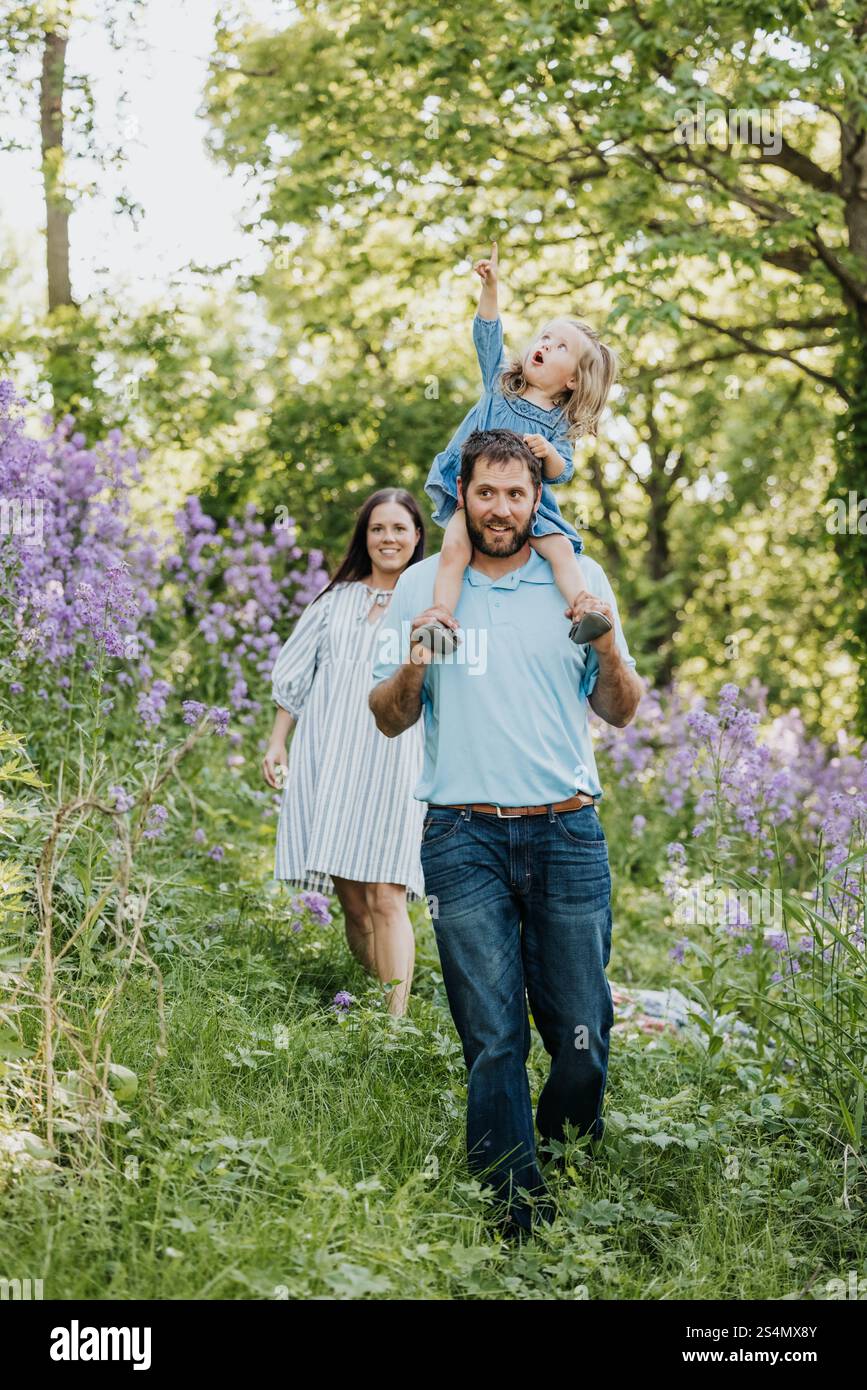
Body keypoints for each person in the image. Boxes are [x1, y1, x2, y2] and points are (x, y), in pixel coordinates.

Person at [368, 429, 643, 1240]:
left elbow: (621, 708)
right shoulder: (427, 584)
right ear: (462, 493)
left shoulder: (578, 578)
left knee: (582, 1032)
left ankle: (564, 1150)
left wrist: (609, 645)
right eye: (484, 493)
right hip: (463, 835)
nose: (499, 508)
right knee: (491, 1035)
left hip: (567, 830)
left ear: (535, 500)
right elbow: (387, 718)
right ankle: (513, 1209)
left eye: (514, 494)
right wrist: (417, 659)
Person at [263, 489, 427, 1017]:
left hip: (396, 760)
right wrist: (276, 743)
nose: (388, 539)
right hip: (329, 758)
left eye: (399, 529)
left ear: (417, 536)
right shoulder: (334, 602)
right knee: (354, 902)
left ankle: (395, 1025)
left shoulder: (430, 604)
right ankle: (369, 995)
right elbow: (295, 675)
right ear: (365, 537)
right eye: (378, 529)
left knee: (387, 893)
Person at [411, 241, 618, 657]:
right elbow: (488, 333)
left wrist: (549, 453)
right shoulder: (500, 384)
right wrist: (491, 287)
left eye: (561, 347)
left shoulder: (559, 423)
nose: (545, 345)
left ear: (573, 381)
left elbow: (563, 472)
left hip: (528, 507)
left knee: (560, 547)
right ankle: (440, 617)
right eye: (545, 337)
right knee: (454, 547)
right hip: (473, 493)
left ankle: (584, 607)